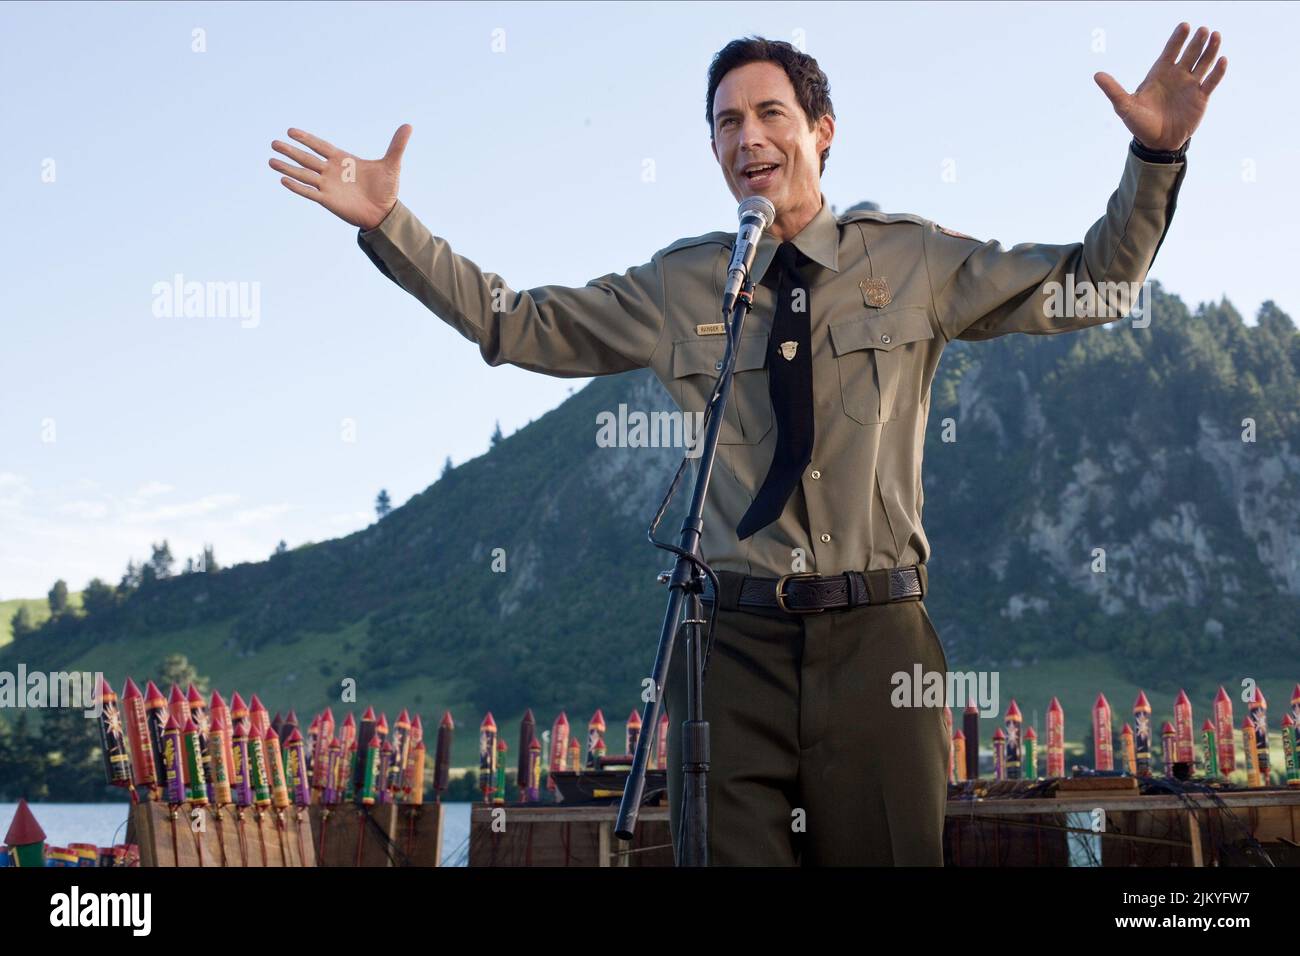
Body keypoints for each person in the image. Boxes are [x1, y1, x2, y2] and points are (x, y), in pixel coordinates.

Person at [269, 25, 1226, 865]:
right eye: (726, 123)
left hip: (876, 640)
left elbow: (1094, 284)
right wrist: (393, 224)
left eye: (769, 113)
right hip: (727, 647)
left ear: (822, 132)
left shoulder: (915, 259)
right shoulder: (682, 284)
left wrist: (1155, 158)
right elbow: (517, 325)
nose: (748, 137)